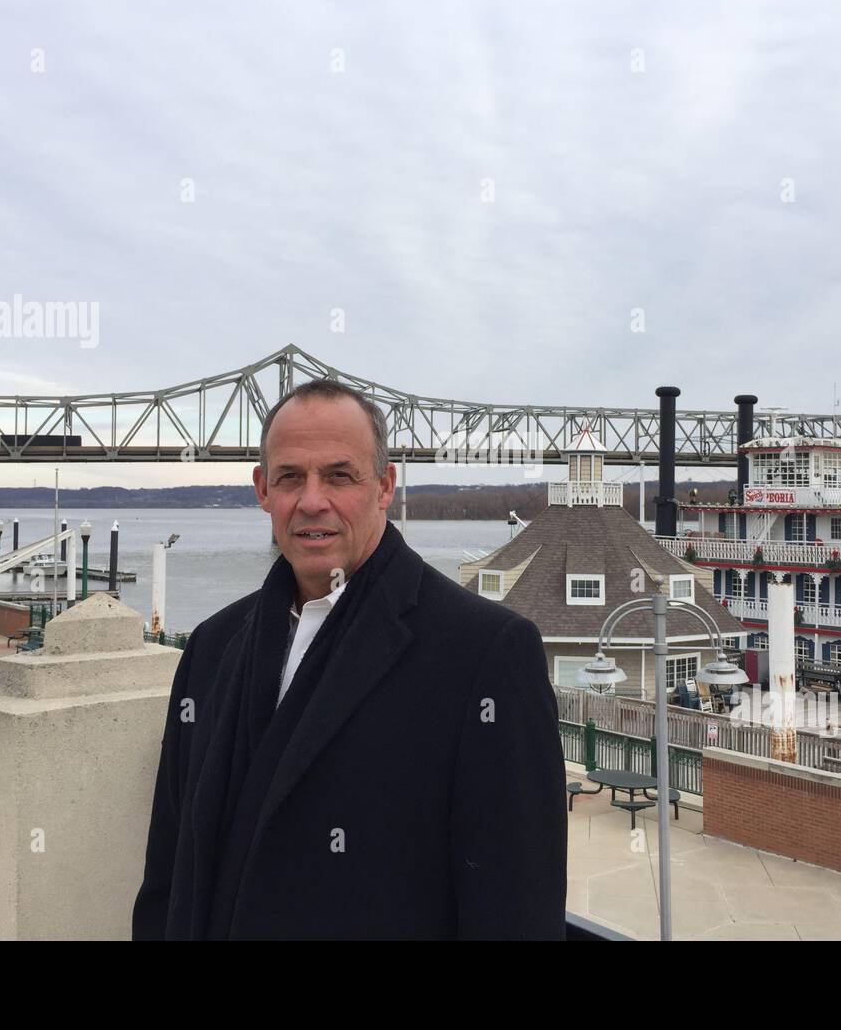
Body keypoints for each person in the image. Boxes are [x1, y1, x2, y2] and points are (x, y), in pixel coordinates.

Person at [131, 379, 567, 939]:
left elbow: (516, 914)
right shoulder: (211, 647)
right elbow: (167, 872)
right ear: (263, 490)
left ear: (384, 486)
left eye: (339, 475)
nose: (313, 500)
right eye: (291, 477)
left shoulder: (487, 654)